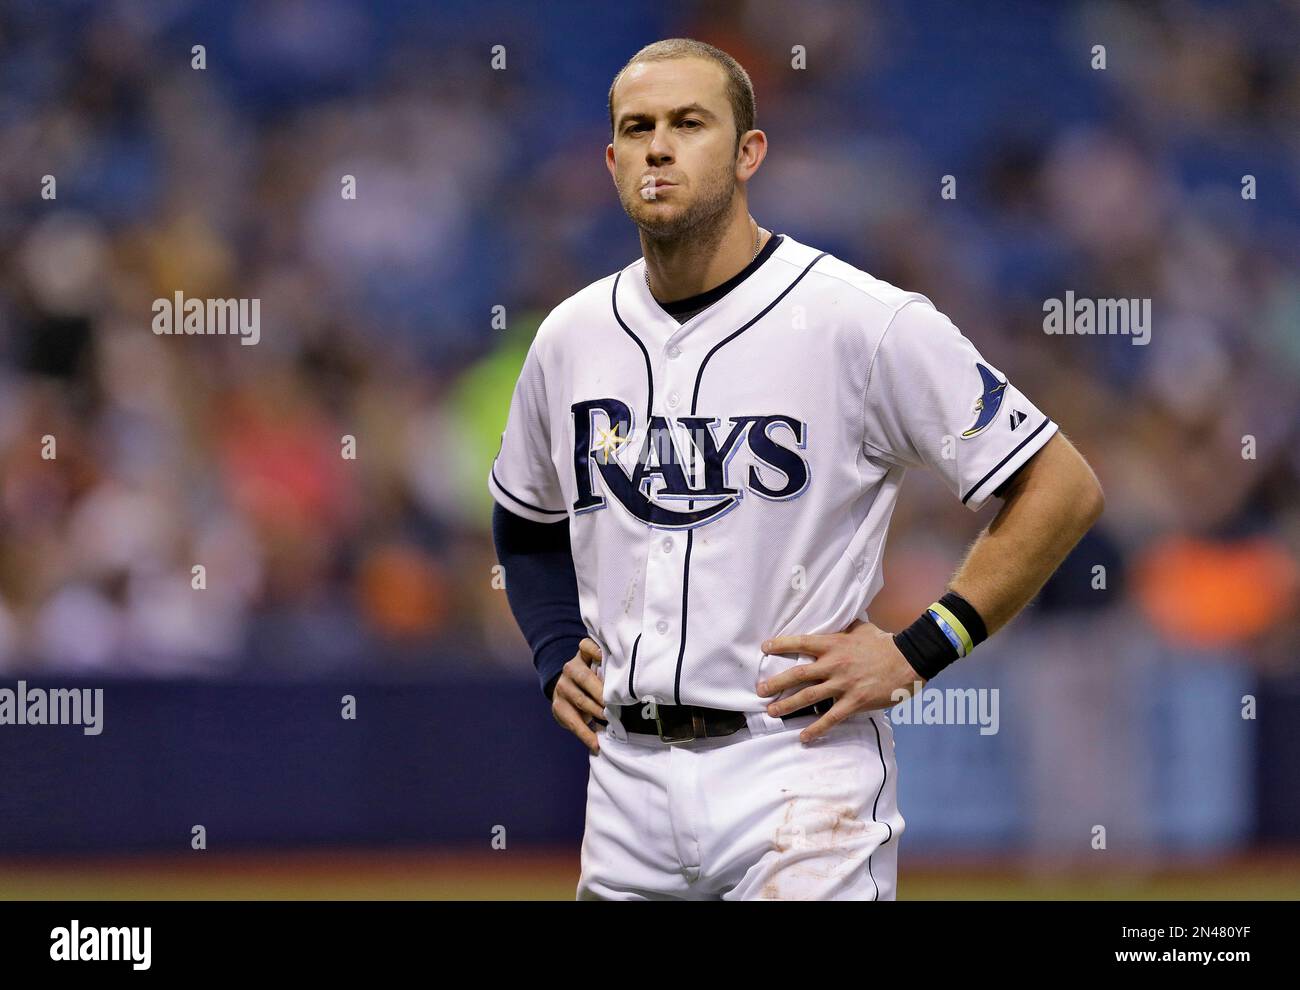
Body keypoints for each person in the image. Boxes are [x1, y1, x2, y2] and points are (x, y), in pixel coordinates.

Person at [489, 38, 1103, 900]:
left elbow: (1062, 486)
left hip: (798, 763)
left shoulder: (862, 320)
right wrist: (556, 649)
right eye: (637, 128)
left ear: (749, 153)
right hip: (624, 782)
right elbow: (524, 522)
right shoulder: (571, 337)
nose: (659, 147)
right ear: (612, 159)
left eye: (689, 123)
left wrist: (922, 648)